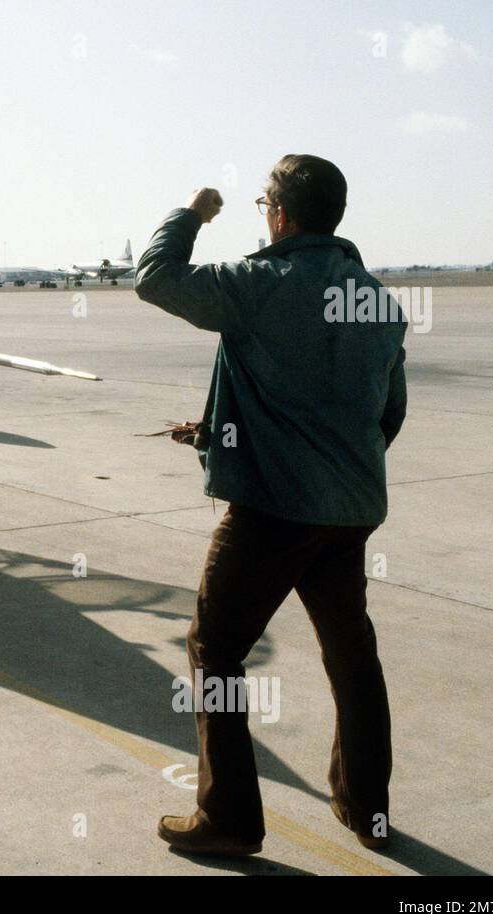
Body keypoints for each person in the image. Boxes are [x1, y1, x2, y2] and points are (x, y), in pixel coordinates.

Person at [136, 155, 407, 857]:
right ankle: (365, 806)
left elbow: (156, 277)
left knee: (215, 648)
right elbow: (383, 414)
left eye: (264, 204)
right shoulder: (378, 300)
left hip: (272, 511)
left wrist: (191, 214)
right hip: (348, 511)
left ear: (280, 214)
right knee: (352, 652)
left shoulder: (259, 282)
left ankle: (228, 816)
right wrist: (227, 429)